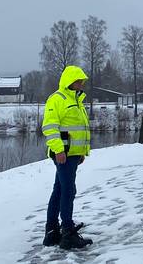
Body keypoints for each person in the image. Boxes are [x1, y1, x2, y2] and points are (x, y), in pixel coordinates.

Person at [41, 65, 93, 250]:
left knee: (59, 190)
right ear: (70, 81)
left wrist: (82, 152)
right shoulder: (57, 99)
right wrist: (59, 150)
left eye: (82, 81)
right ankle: (68, 232)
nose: (81, 84)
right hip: (63, 154)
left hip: (72, 155)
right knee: (68, 191)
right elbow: (49, 127)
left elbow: (80, 129)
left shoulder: (77, 100)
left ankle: (52, 232)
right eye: (78, 81)